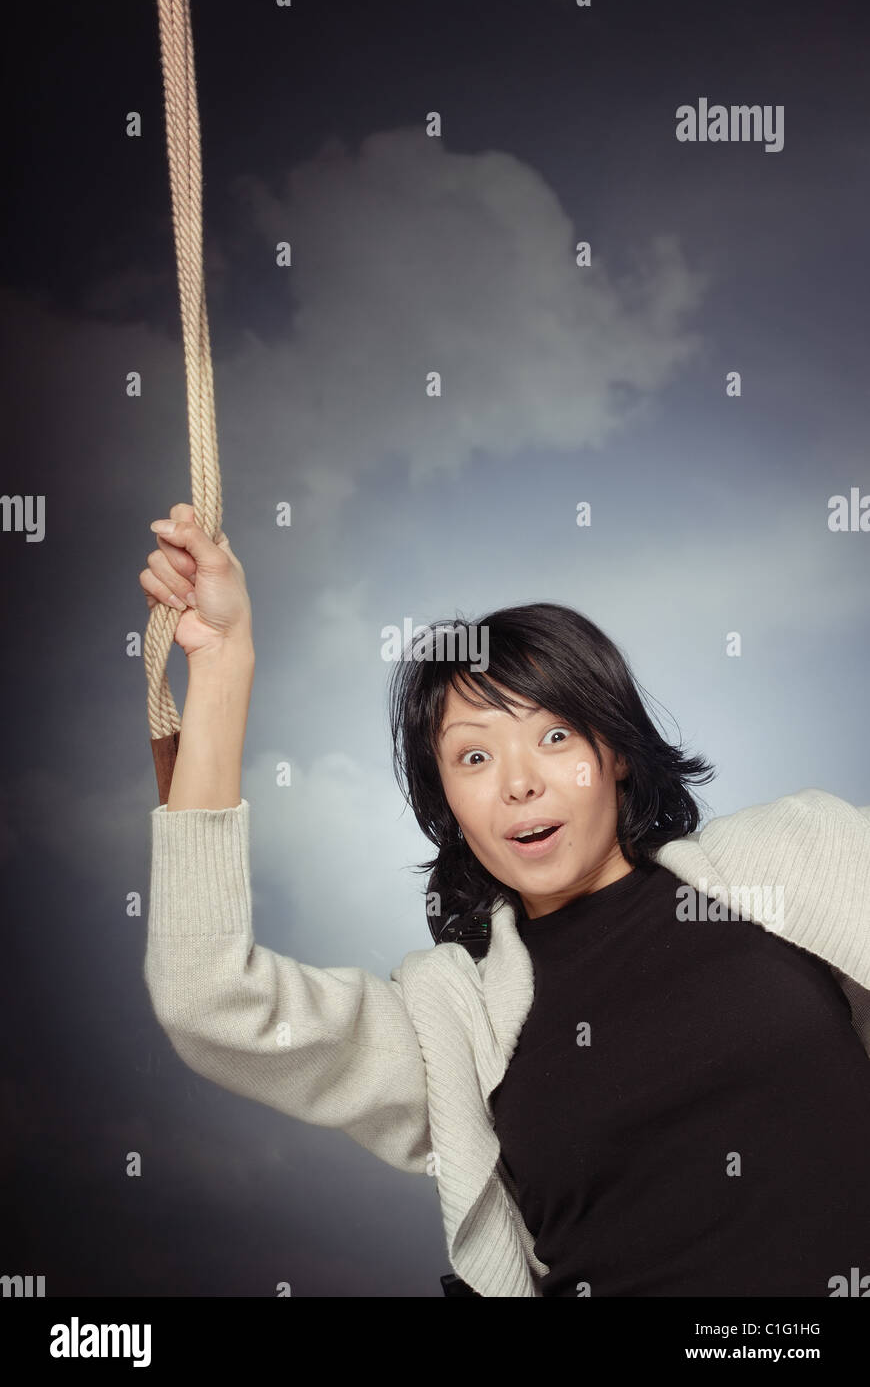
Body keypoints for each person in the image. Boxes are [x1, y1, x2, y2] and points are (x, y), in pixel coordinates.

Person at [141, 503, 870, 1298]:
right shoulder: (454, 1020)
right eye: (475, 755)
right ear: (445, 798)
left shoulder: (789, 860)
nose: (519, 782)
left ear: (617, 752)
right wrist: (220, 667)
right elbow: (208, 994)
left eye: (555, 737)